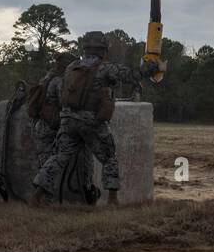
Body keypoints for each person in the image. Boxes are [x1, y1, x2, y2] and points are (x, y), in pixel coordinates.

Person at [31, 33, 138, 207]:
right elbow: (130, 76)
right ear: (103, 50)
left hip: (68, 121)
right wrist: (149, 67)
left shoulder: (71, 67)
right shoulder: (104, 67)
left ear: (85, 49)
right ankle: (112, 199)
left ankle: (37, 195)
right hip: (91, 122)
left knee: (59, 157)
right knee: (109, 157)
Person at [30, 51, 77, 168]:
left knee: (44, 167)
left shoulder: (48, 77)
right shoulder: (58, 81)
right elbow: (65, 103)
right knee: (49, 171)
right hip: (50, 130)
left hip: (42, 127)